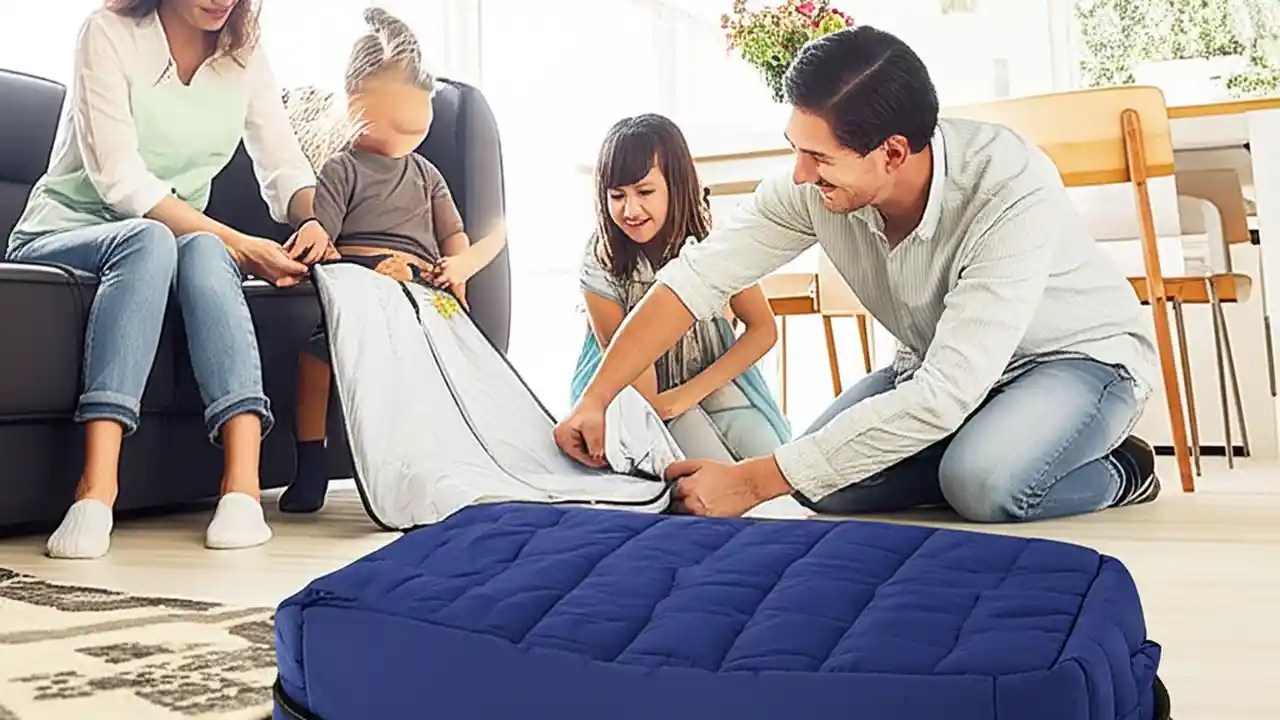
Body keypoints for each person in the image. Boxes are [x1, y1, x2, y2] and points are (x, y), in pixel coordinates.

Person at [553, 26, 1163, 523]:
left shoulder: (1007, 187)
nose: (799, 173)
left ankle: (1120, 471)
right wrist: (596, 398)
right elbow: (695, 280)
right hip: (934, 368)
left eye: (818, 157)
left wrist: (749, 483)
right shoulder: (812, 189)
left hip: (1074, 361)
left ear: (892, 152)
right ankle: (985, 444)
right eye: (796, 147)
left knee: (981, 485)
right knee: (823, 486)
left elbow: (946, 393)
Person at [6, 0, 328, 558]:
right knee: (153, 239)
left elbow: (282, 165)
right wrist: (242, 243)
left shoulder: (244, 54)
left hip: (172, 236)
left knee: (203, 249)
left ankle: (242, 489)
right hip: (64, 233)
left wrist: (314, 218)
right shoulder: (107, 34)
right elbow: (121, 181)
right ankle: (96, 492)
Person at [277, 8, 507, 513]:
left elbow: (454, 234)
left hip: (422, 288)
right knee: (315, 363)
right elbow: (325, 237)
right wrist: (336, 258)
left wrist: (457, 270)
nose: (406, 135)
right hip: (359, 292)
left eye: (415, 124)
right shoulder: (341, 169)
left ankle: (435, 464)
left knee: (432, 370)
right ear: (355, 102)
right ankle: (311, 463)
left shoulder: (426, 175)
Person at [570, 114, 790, 466]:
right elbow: (644, 391)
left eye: (645, 192)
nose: (630, 210)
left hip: (710, 381)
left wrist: (687, 395)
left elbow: (763, 329)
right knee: (713, 472)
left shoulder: (714, 240)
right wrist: (674, 406)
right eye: (616, 196)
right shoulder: (602, 257)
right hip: (634, 394)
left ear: (677, 184)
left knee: (772, 462)